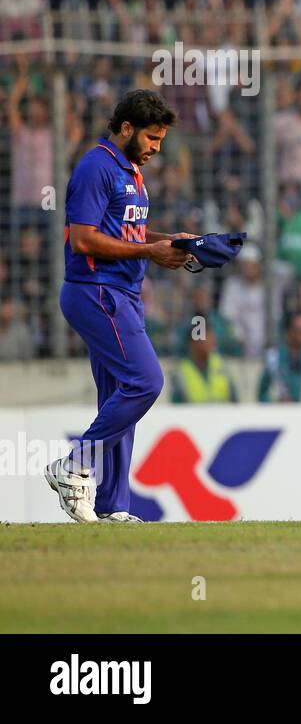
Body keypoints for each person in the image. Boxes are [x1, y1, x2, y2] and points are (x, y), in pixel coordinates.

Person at [46, 90, 195, 523]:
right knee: (145, 382)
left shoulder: (129, 171)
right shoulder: (97, 166)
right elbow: (83, 238)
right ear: (126, 128)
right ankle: (74, 464)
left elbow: (128, 234)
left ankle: (113, 506)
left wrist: (168, 242)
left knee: (119, 393)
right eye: (151, 138)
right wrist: (150, 254)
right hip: (96, 290)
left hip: (121, 294)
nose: (155, 149)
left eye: (160, 141)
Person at [172, 329, 239, 404]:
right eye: (204, 339)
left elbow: (235, 401)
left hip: (223, 414)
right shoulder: (180, 372)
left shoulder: (222, 366)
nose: (210, 342)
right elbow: (176, 407)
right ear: (192, 343)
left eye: (210, 338)